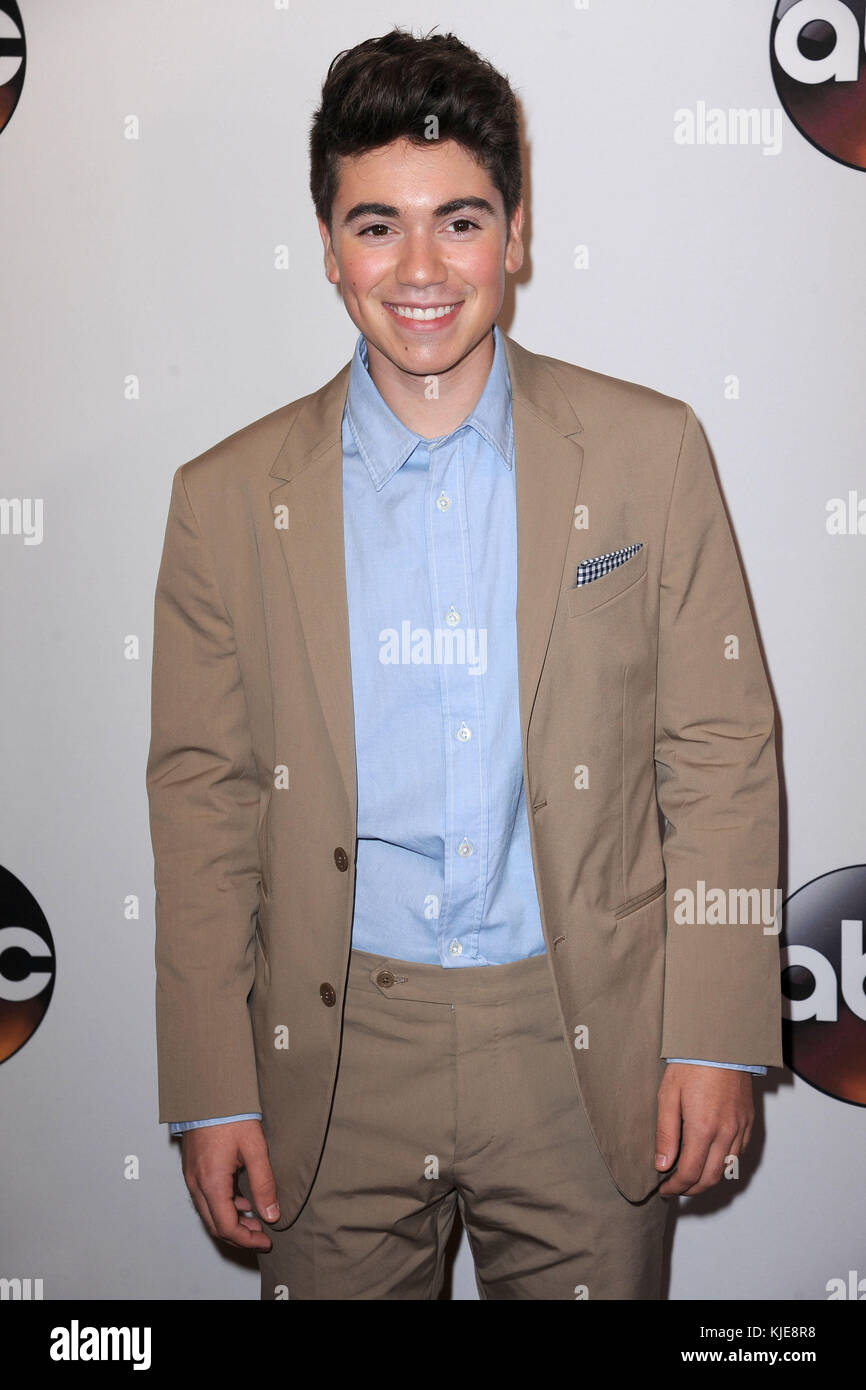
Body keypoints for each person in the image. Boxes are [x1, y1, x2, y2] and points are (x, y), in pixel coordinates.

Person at [146, 27, 782, 1301]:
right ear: (327, 246)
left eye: (460, 221)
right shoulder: (222, 500)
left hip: (578, 1036)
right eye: (377, 225)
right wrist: (212, 1081)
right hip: (329, 1052)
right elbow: (203, 801)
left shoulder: (648, 452)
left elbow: (719, 753)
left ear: (517, 232)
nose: (422, 268)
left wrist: (716, 1030)